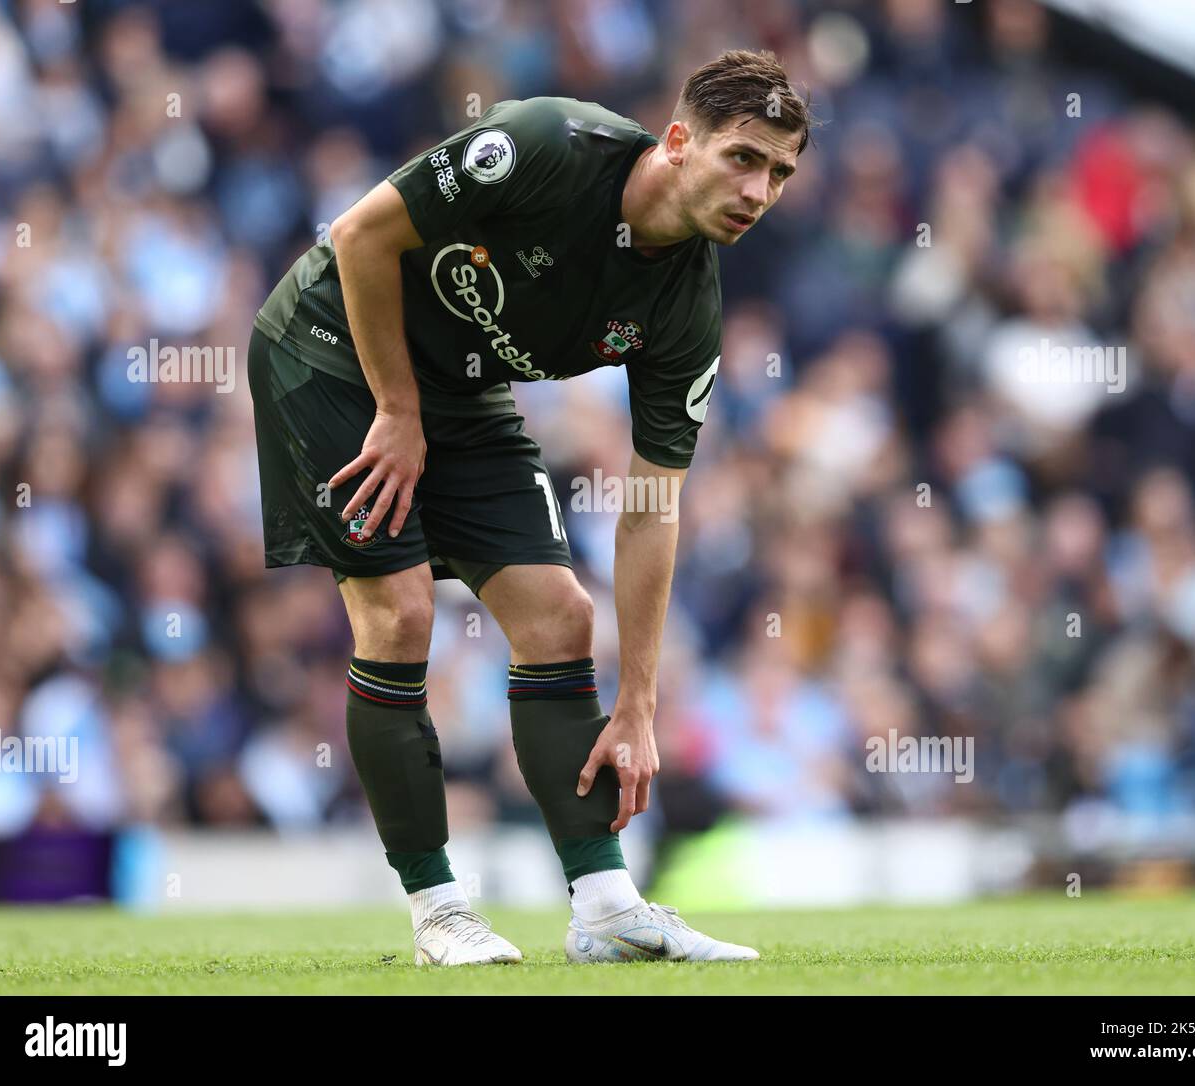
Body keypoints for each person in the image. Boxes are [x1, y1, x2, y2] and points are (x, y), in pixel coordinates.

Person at [247, 48, 813, 964]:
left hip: (462, 394)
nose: (760, 190)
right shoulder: (546, 143)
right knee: (397, 612)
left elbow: (650, 508)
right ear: (677, 142)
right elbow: (357, 236)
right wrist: (396, 409)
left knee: (560, 616)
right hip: (331, 351)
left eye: (781, 173)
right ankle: (440, 913)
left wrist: (637, 702)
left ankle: (605, 907)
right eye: (742, 158)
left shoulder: (687, 309)